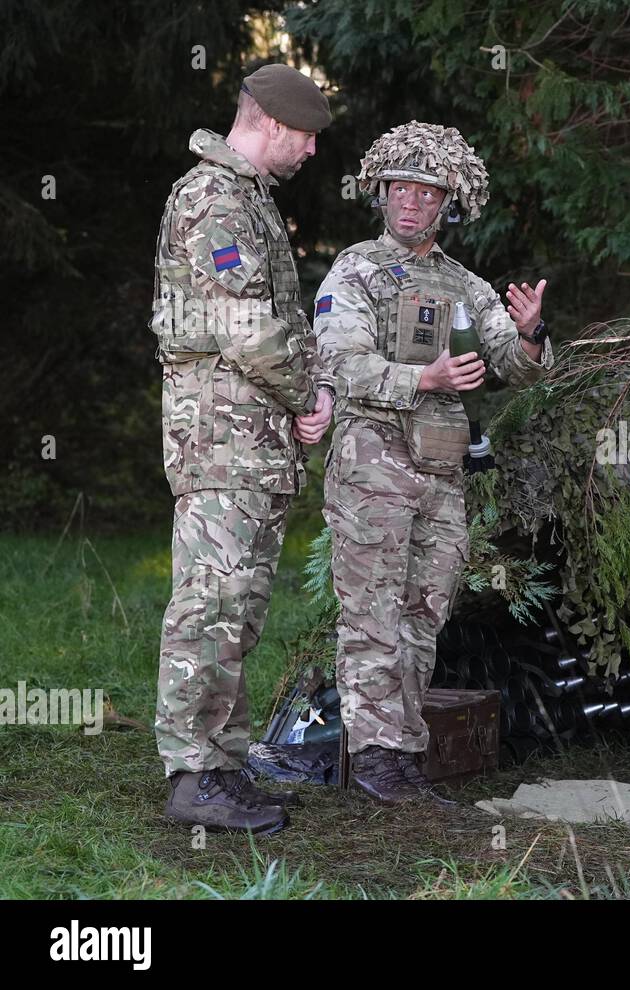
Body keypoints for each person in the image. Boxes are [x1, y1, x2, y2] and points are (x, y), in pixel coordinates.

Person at [313, 121, 553, 804]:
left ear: (449, 203)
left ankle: (403, 750)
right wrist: (427, 380)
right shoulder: (355, 269)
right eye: (401, 191)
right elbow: (341, 362)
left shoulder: (466, 285)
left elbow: (512, 365)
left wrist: (532, 334)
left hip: (442, 474)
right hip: (373, 466)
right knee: (372, 614)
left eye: (428, 193)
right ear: (380, 193)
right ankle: (374, 756)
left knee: (424, 614)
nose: (412, 204)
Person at [152, 63, 334, 834]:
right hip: (222, 441)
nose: (312, 153)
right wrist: (310, 396)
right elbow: (248, 329)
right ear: (268, 122)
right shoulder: (214, 199)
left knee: (238, 610)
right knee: (210, 605)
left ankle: (220, 762)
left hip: (248, 445)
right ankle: (194, 774)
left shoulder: (247, 199)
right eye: (307, 137)